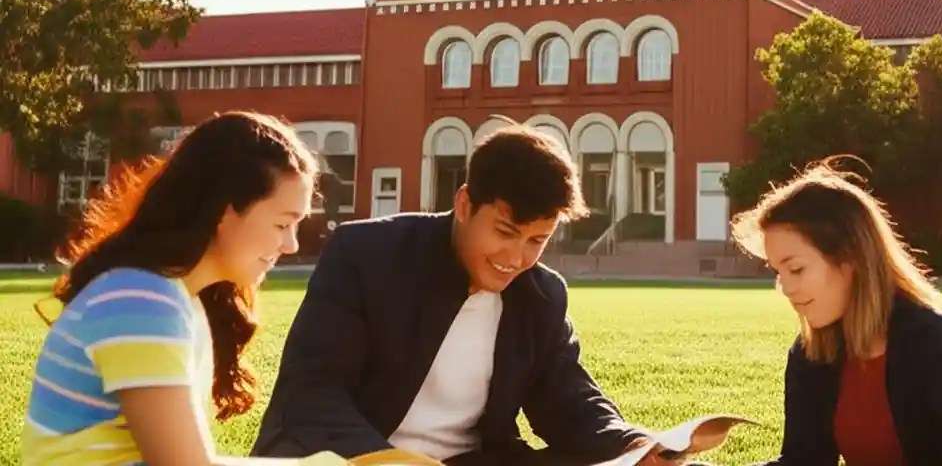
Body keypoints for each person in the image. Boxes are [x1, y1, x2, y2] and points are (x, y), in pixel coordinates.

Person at [251, 121, 674, 466]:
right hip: (349, 459)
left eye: (536, 240)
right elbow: (313, 394)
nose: (515, 257)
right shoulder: (367, 255)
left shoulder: (540, 295)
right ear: (465, 204)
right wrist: (390, 462)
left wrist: (632, 443)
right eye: (505, 233)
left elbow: (567, 399)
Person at [21, 111, 326, 465]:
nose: (290, 245)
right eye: (281, 224)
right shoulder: (141, 302)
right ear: (223, 213)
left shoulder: (172, 297)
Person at [731, 158, 942, 466]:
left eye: (796, 269)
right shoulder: (812, 353)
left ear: (851, 257)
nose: (784, 288)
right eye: (778, 272)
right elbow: (804, 460)